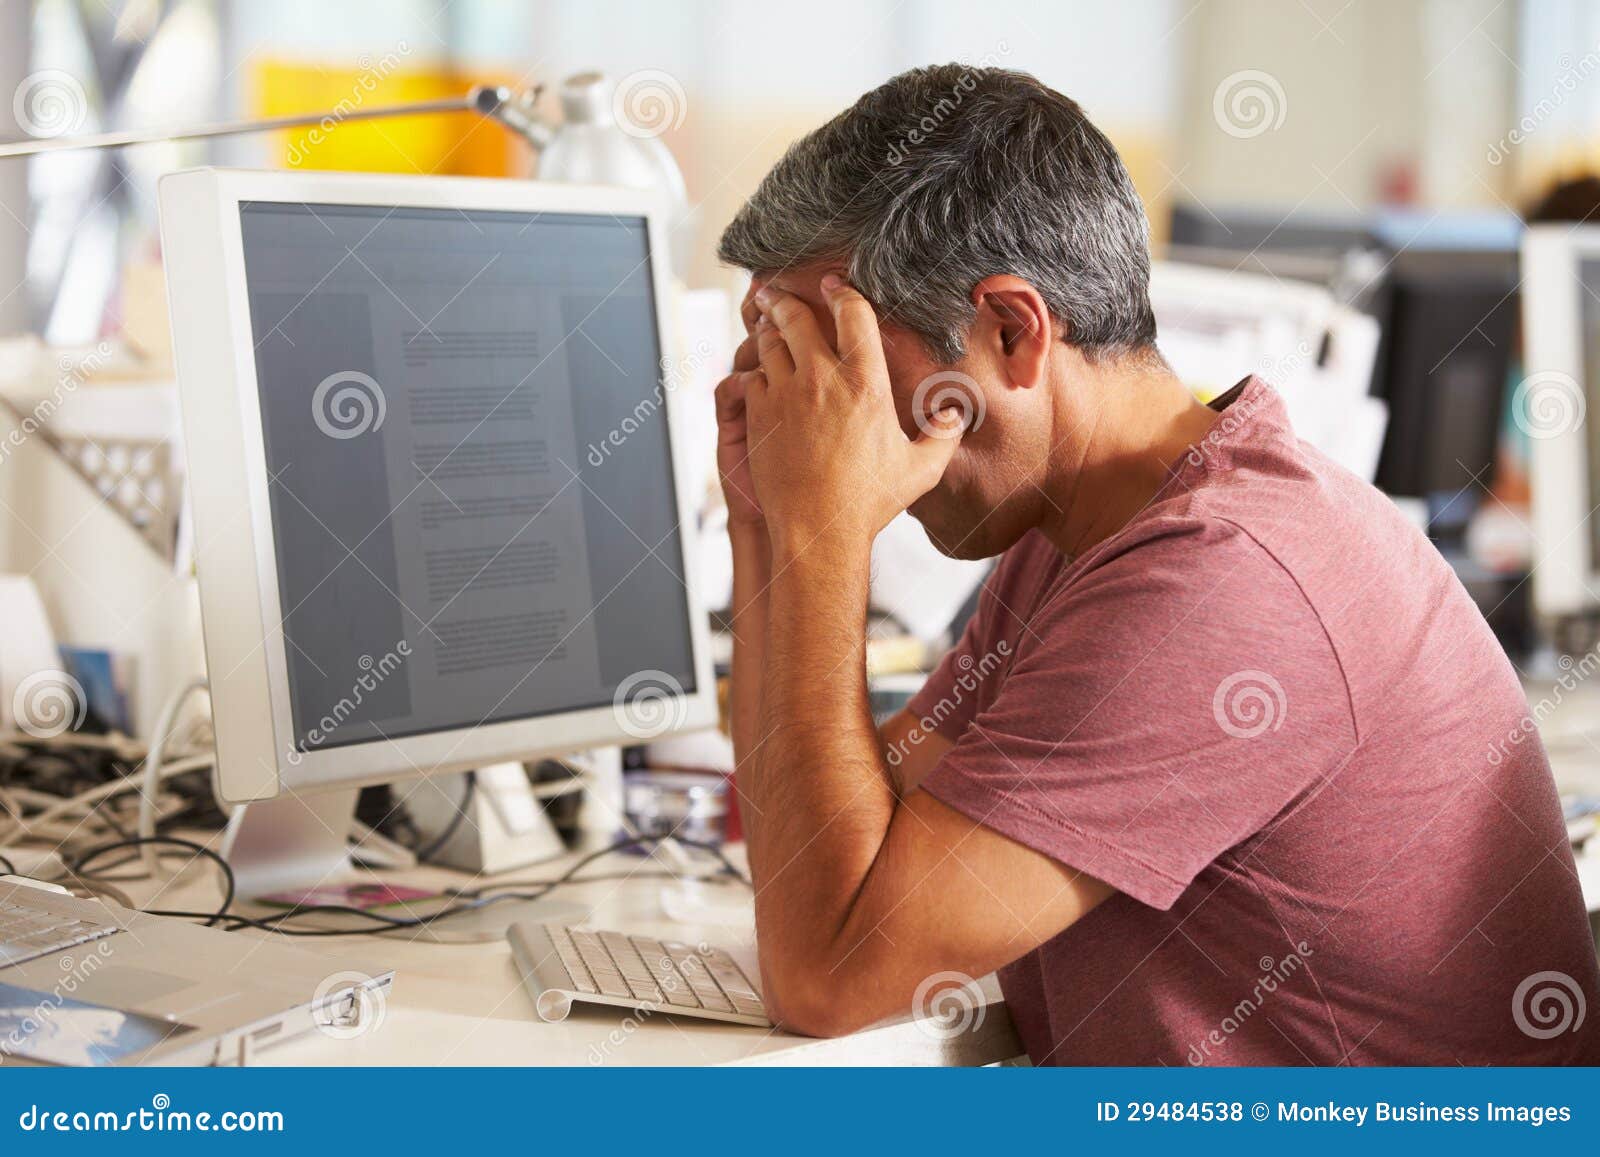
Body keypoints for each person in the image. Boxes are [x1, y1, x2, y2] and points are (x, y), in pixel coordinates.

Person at [711, 64, 1600, 1065]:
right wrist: (762, 517)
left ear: (1010, 331)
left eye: (834, 365)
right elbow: (840, 833)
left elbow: (833, 972)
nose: (808, 411)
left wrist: (814, 533)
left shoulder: (1219, 577)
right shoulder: (1086, 527)